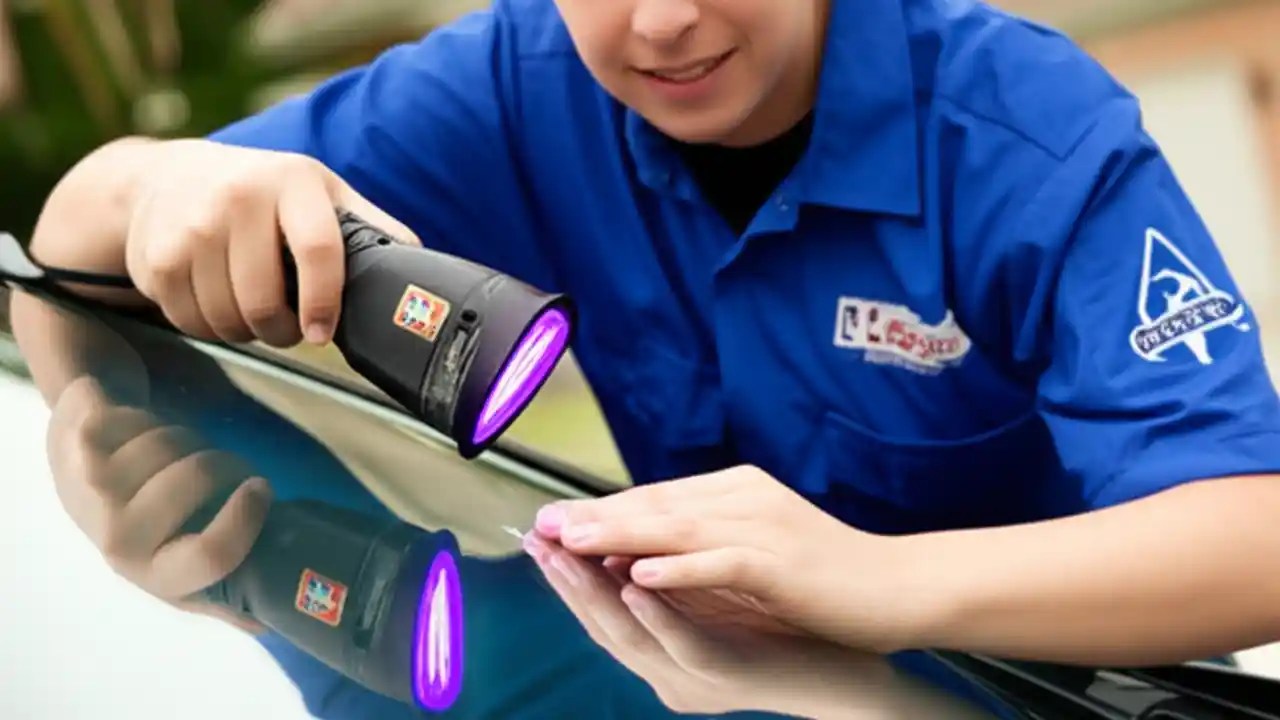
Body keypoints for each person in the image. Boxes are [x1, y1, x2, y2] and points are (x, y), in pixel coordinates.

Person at [27, 0, 1280, 699]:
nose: (664, 22)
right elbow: (79, 231)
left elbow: (1250, 534)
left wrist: (876, 581)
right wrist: (153, 191)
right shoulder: (510, 88)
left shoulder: (1022, 133)